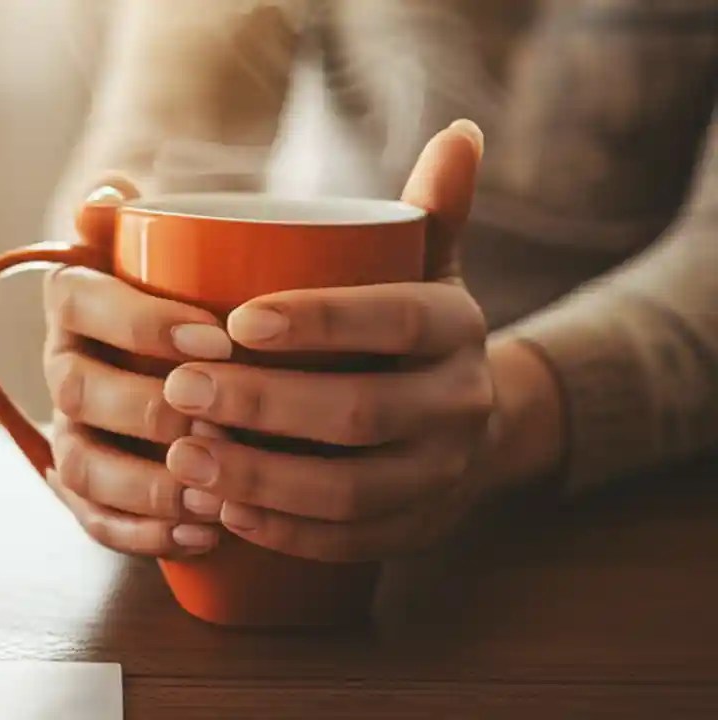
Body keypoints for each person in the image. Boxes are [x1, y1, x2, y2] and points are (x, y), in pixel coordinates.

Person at [37, 1, 718, 559]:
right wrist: (122, 315)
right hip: (292, 446)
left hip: (659, 504)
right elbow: (166, 139)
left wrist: (512, 406)